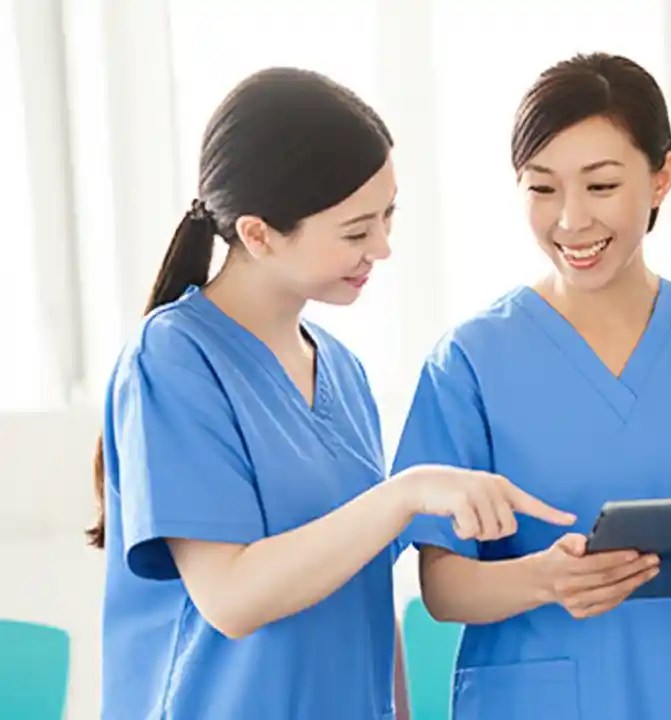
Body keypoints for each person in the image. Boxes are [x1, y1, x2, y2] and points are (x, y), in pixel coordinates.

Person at [89, 67, 574, 720]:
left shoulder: (341, 370)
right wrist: (406, 494)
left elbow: (364, 586)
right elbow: (231, 597)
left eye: (388, 215)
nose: (383, 246)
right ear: (257, 234)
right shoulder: (174, 358)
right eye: (355, 230)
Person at [393, 52, 671, 720]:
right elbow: (443, 587)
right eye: (542, 189)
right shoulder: (470, 363)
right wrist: (543, 579)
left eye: (600, 186)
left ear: (661, 178)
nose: (570, 222)